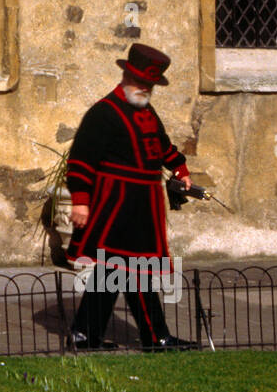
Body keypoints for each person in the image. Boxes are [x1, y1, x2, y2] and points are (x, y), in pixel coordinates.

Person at [64, 43, 197, 351]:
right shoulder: (103, 113)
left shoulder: (147, 112)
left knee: (125, 270)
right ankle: (150, 337)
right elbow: (82, 159)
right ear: (125, 76)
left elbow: (161, 145)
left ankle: (90, 335)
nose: (144, 88)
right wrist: (81, 200)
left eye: (149, 84)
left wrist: (180, 168)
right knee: (123, 268)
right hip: (116, 206)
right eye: (140, 82)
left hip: (143, 207)